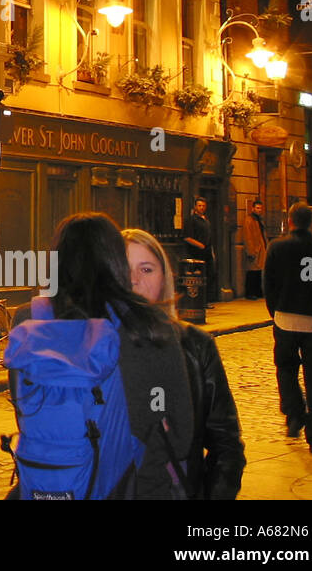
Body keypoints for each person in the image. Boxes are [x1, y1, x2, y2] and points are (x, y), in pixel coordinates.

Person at [17, 213, 193, 499]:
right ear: (116, 260)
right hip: (132, 485)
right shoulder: (146, 325)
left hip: (49, 480)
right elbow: (180, 430)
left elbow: (25, 408)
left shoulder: (30, 319)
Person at [123, 228, 246, 499]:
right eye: (124, 269)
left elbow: (226, 443)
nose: (133, 280)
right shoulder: (92, 350)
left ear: (164, 277)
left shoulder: (195, 346)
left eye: (146, 270)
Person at [264, 203, 312, 454]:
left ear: (290, 221)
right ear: (311, 222)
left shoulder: (277, 247)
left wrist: (275, 311)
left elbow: (269, 284)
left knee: (285, 367)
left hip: (285, 317)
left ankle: (294, 412)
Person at [182, 196, 217, 306]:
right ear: (195, 207)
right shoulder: (191, 220)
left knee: (209, 275)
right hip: (196, 253)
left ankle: (206, 300)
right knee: (198, 277)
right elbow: (187, 237)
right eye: (199, 205)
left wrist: (210, 250)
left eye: (203, 206)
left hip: (207, 252)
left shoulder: (206, 220)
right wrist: (200, 245)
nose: (201, 208)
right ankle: (197, 301)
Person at [244, 199, 268, 299]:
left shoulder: (259, 220)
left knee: (258, 271)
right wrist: (250, 250)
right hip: (254, 249)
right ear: (253, 208)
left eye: (260, 208)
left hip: (260, 248)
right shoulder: (249, 220)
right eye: (257, 208)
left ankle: (257, 291)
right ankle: (250, 293)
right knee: (252, 272)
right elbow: (247, 236)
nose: (259, 210)